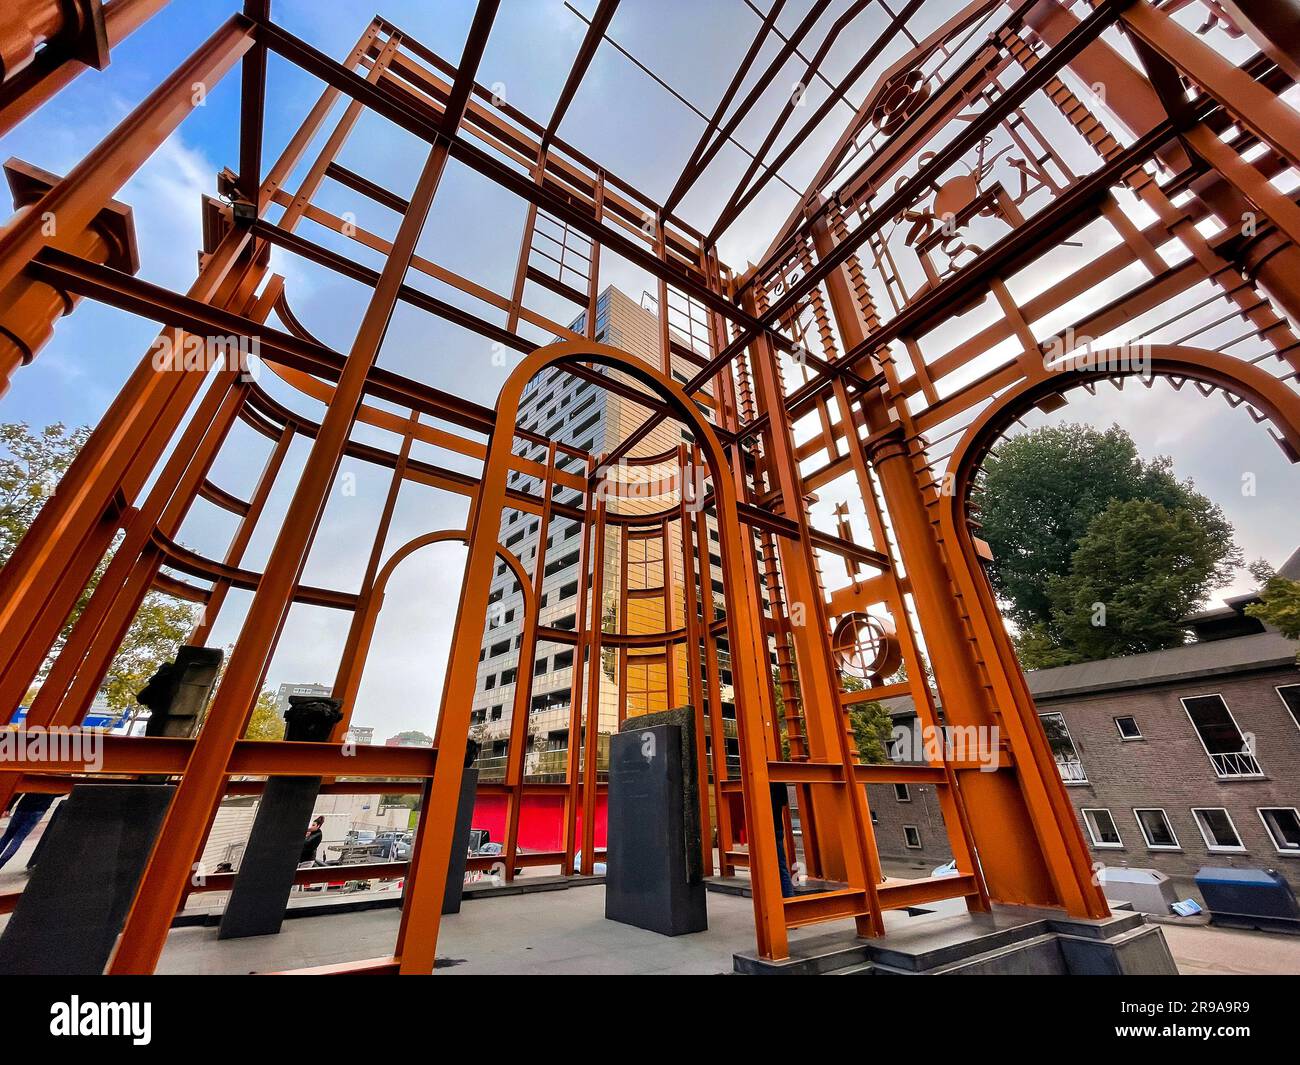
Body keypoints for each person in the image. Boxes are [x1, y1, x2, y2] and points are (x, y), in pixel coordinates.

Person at [0, 792, 57, 871]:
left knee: (7, 836)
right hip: (39, 809)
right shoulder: (53, 783)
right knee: (18, 839)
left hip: (23, 806)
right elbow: (62, 792)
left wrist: (8, 807)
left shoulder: (34, 779)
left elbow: (18, 791)